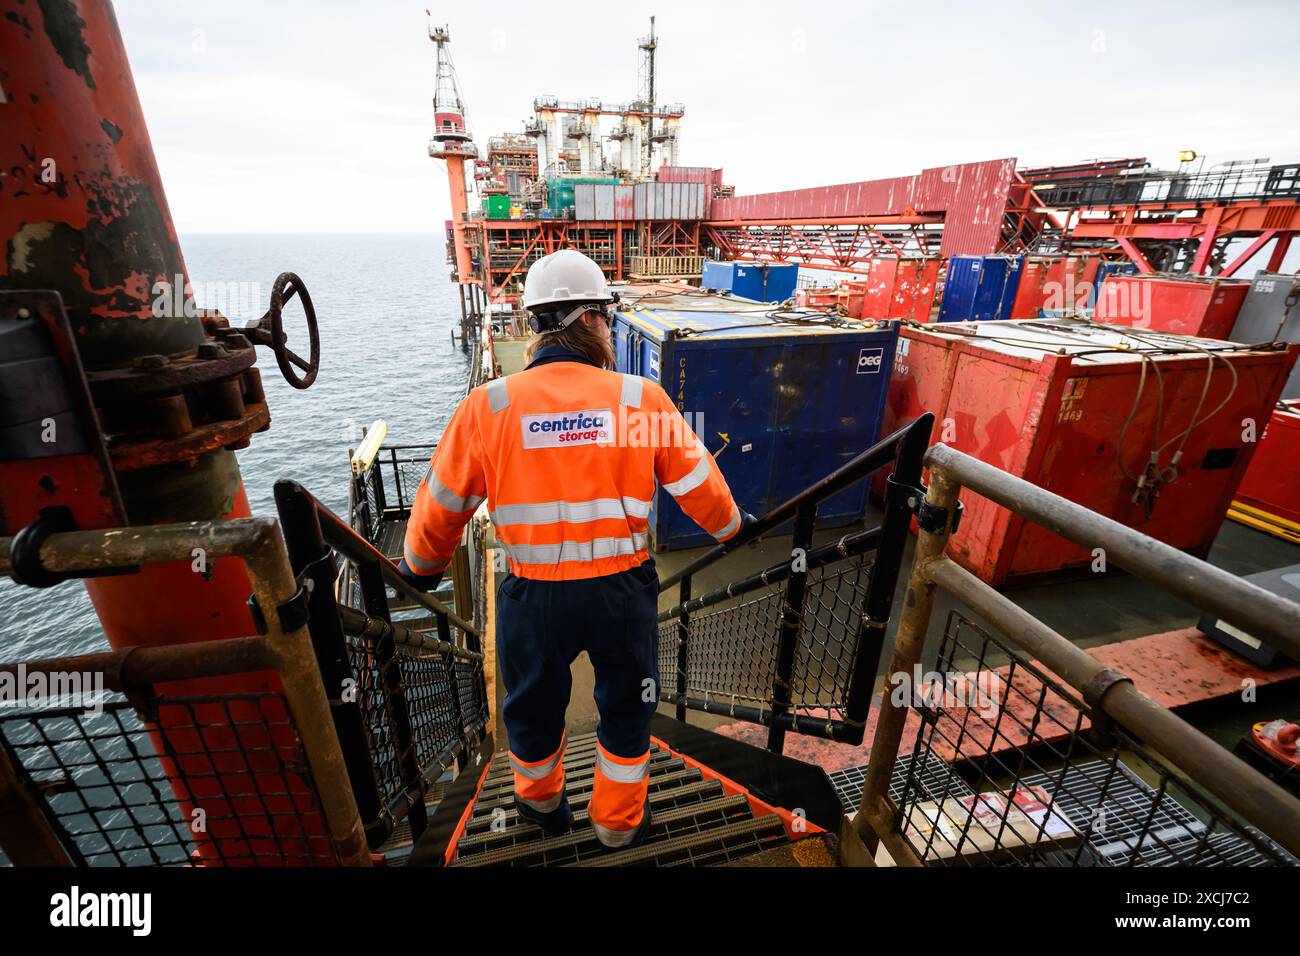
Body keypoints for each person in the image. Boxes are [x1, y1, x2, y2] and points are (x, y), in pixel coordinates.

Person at [397, 249, 750, 850]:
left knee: (531, 711)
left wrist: (420, 567)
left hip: (532, 598)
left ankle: (541, 808)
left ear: (538, 324)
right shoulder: (640, 401)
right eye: (607, 319)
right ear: (587, 319)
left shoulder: (490, 407)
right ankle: (616, 826)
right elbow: (702, 491)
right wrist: (731, 530)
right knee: (628, 708)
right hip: (622, 593)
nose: (611, 330)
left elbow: (441, 504)